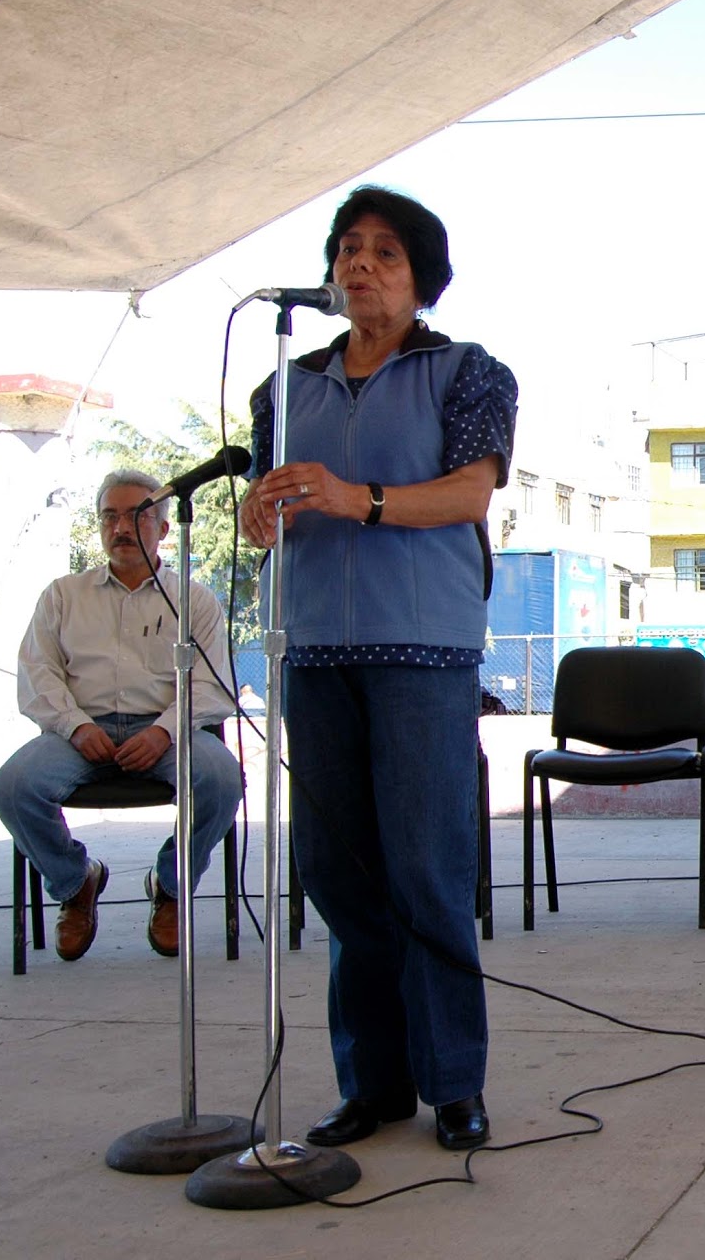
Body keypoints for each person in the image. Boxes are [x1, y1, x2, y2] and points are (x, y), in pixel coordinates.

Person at [239, 185, 517, 1153]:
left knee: (427, 870)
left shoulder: (468, 373)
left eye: (385, 252)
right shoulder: (286, 385)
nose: (361, 265)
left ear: (421, 277)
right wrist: (259, 513)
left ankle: (454, 1083)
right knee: (337, 874)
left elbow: (469, 493)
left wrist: (356, 498)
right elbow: (264, 509)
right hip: (313, 649)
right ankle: (374, 1081)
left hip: (423, 651)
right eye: (347, 249)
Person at [0, 470, 243, 961]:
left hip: (168, 730)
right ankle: (75, 882)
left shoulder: (195, 600)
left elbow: (213, 685)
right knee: (14, 787)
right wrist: (75, 725)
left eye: (136, 515)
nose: (121, 527)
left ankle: (169, 886)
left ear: (165, 528)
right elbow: (37, 672)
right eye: (110, 516)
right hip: (80, 731)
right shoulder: (63, 595)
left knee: (222, 779)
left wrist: (165, 732)